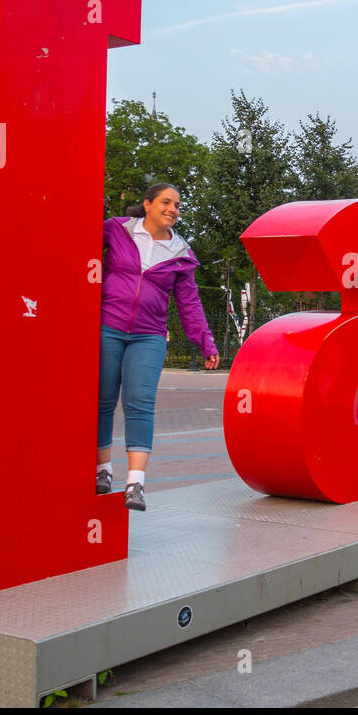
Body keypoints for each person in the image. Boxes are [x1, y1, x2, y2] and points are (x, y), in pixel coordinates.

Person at [100, 183, 219, 511]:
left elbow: (189, 303)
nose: (173, 209)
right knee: (102, 400)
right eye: (166, 202)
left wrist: (205, 341)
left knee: (140, 403)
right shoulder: (117, 230)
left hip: (148, 335)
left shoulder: (180, 253)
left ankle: (135, 483)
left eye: (177, 205)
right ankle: (102, 470)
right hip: (108, 327)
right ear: (147, 204)